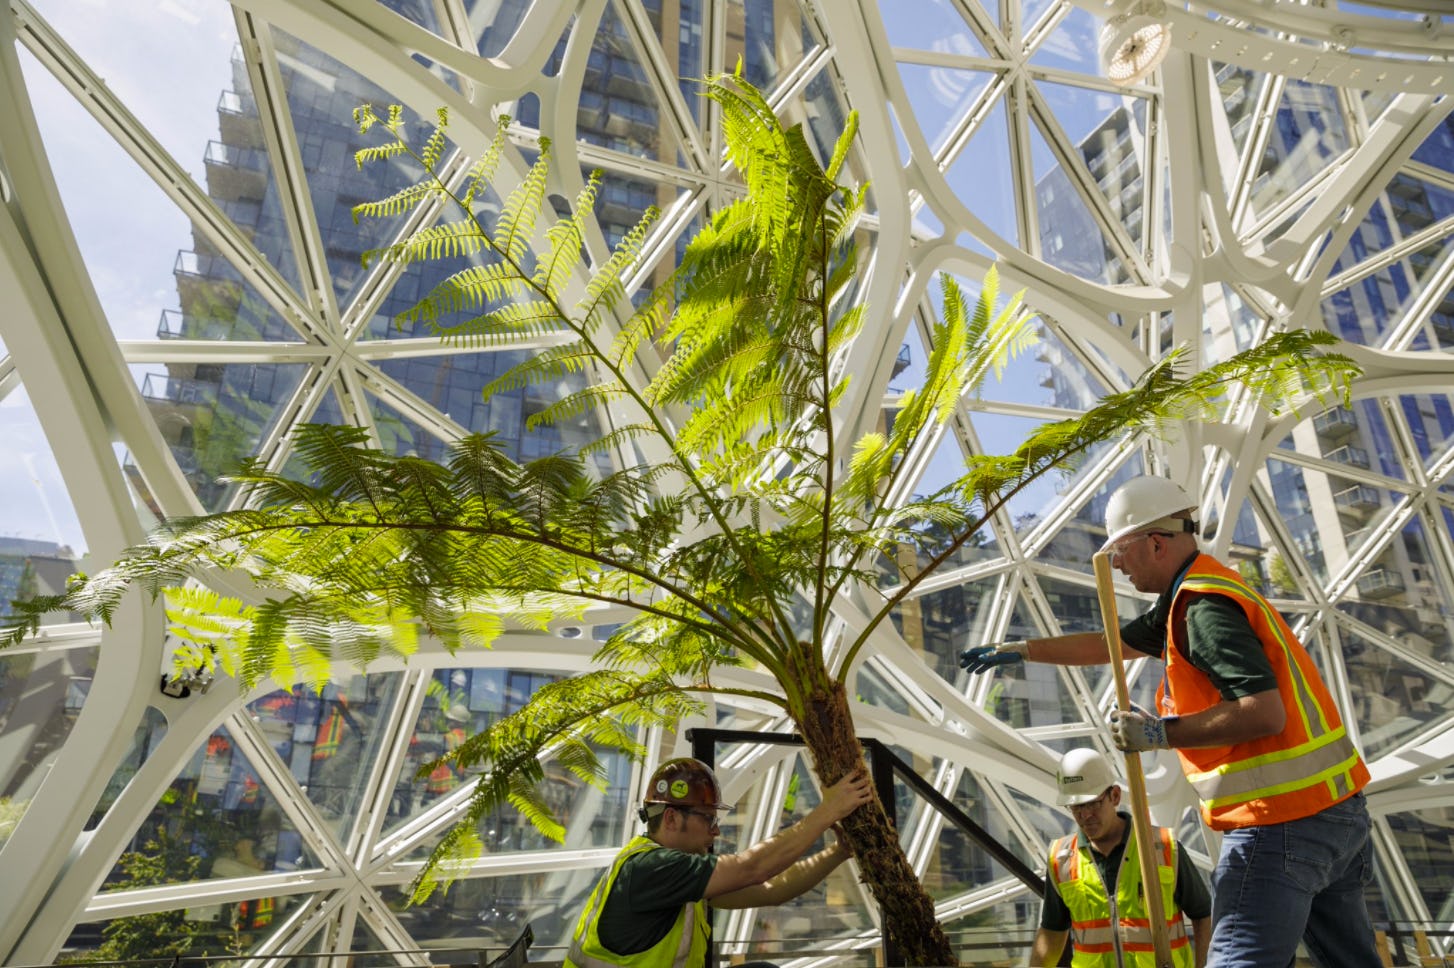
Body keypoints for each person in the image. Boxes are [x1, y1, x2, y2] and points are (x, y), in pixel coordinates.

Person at [960, 476, 1378, 968]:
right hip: (1337, 813)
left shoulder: (1203, 608)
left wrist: (1159, 734)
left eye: (1120, 551)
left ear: (1155, 543)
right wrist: (1023, 650)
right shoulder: (1197, 594)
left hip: (1279, 820)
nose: (1115, 565)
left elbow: (1263, 712)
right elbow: (1109, 643)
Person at [563, 756, 873, 968]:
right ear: (671, 818)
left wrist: (838, 852)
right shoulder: (652, 868)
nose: (715, 830)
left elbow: (770, 889)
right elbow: (752, 867)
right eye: (707, 818)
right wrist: (829, 810)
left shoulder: (676, 875)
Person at [1031, 748, 1210, 968]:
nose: (1085, 815)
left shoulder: (1162, 847)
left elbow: (1203, 916)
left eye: (1092, 803)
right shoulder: (1062, 860)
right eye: (1076, 807)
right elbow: (1052, 932)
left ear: (1114, 796)